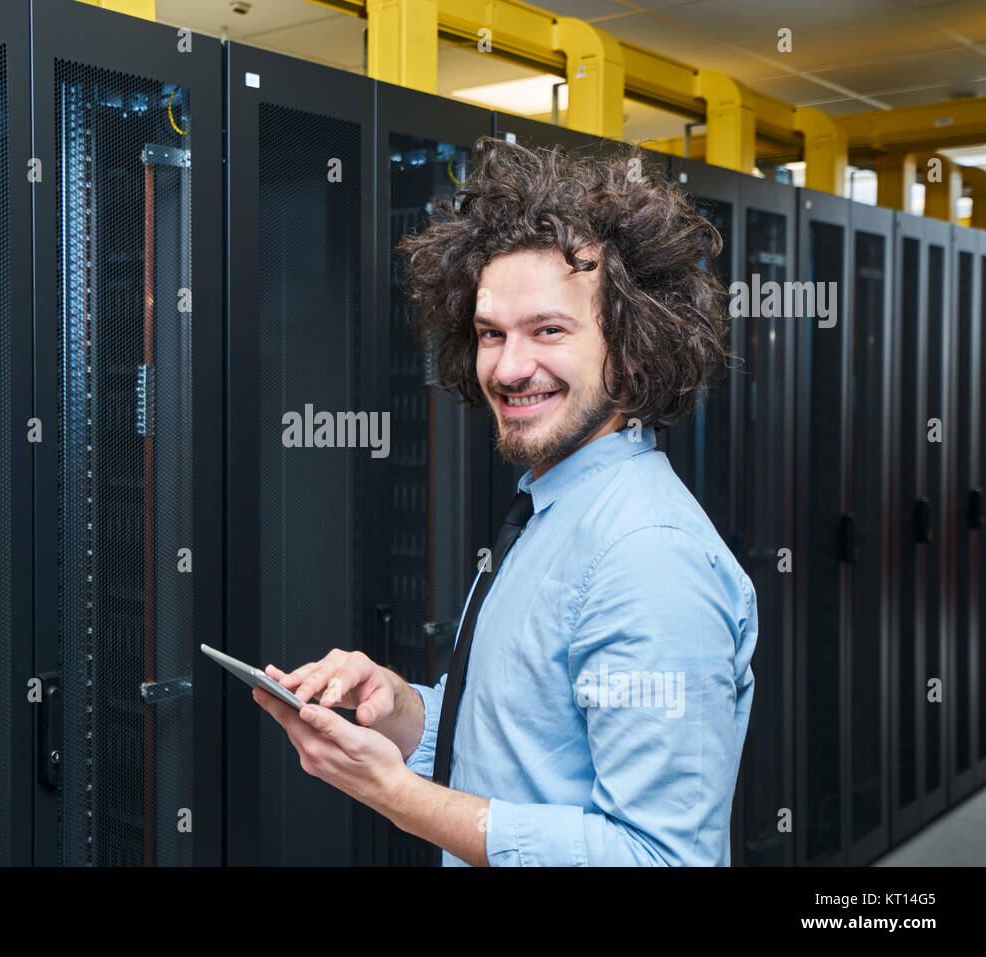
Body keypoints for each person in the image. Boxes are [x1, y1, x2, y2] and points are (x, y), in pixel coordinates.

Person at [251, 136, 758, 866]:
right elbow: (511, 751)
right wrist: (396, 706)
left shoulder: (649, 555)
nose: (511, 367)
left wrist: (395, 793)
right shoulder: (550, 508)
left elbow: (659, 856)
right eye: (491, 334)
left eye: (549, 330)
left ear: (636, 344)